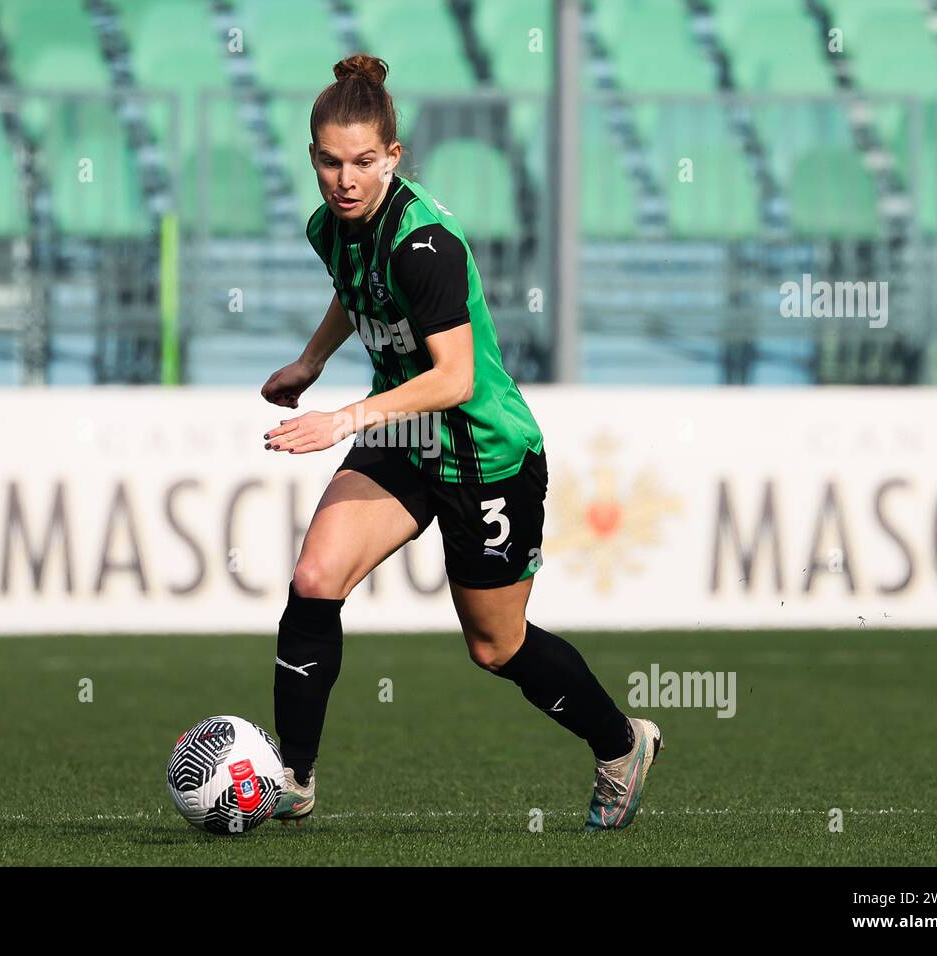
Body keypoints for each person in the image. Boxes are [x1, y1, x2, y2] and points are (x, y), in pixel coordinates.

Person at [259, 54, 661, 831]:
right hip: (404, 433)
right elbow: (358, 292)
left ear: (393, 158)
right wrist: (311, 361)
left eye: (365, 163)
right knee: (314, 579)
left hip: (485, 452)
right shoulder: (329, 227)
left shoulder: (425, 243)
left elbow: (453, 377)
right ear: (313, 157)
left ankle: (620, 744)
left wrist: (342, 417)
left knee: (495, 646)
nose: (347, 179)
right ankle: (294, 777)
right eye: (332, 162)